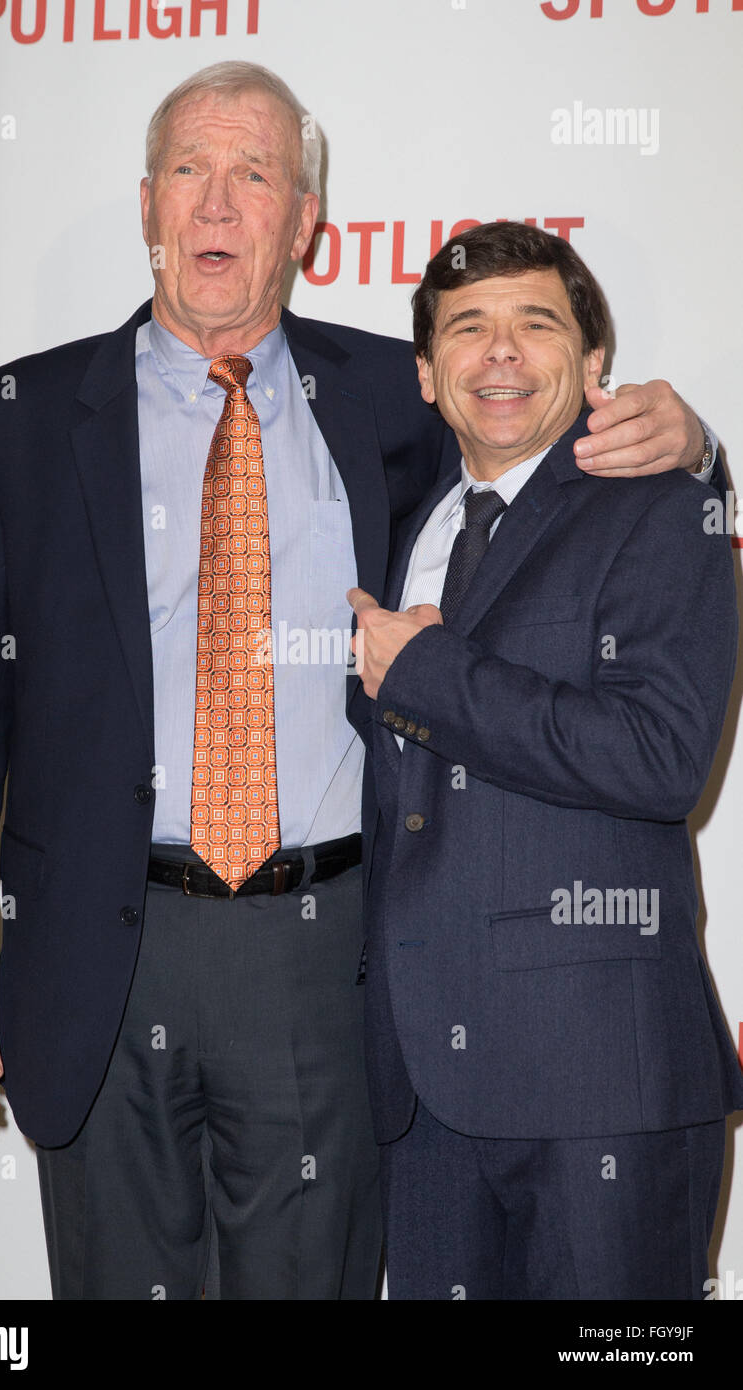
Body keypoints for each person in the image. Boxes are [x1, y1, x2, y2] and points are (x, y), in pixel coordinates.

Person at [0, 64, 721, 1302]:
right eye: (189, 171)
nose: (218, 205)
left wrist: (694, 437)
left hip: (325, 949)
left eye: (255, 176)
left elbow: (535, 424)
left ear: (303, 223)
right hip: (96, 953)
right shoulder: (11, 419)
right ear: (143, 205)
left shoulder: (397, 394)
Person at [348, 219, 743, 1301]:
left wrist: (426, 671)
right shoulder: (399, 519)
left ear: (594, 363)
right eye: (467, 329)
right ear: (426, 376)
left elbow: (660, 758)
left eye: (536, 323)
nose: (502, 352)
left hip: (597, 1084)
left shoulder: (661, 506)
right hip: (417, 1098)